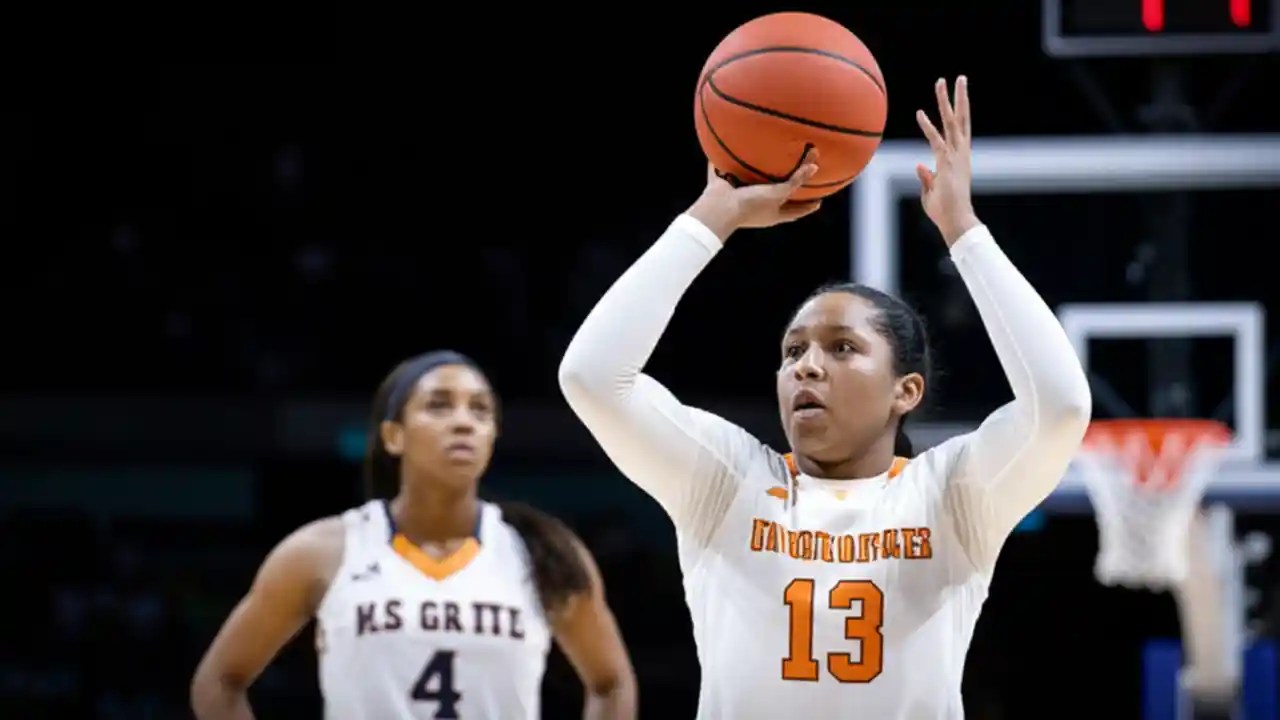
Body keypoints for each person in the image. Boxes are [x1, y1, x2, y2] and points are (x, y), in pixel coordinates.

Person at [558, 76, 1091, 718]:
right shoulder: (728, 482)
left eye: (842, 348)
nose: (807, 367)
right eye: (792, 352)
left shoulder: (951, 496)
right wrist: (711, 218)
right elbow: (591, 375)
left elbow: (1060, 404)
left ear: (907, 391)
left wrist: (964, 231)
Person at [192, 350, 638, 720]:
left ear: (493, 436)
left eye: (480, 410)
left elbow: (611, 682)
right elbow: (219, 681)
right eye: (439, 405)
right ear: (393, 436)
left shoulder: (543, 552)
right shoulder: (322, 552)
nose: (463, 422)